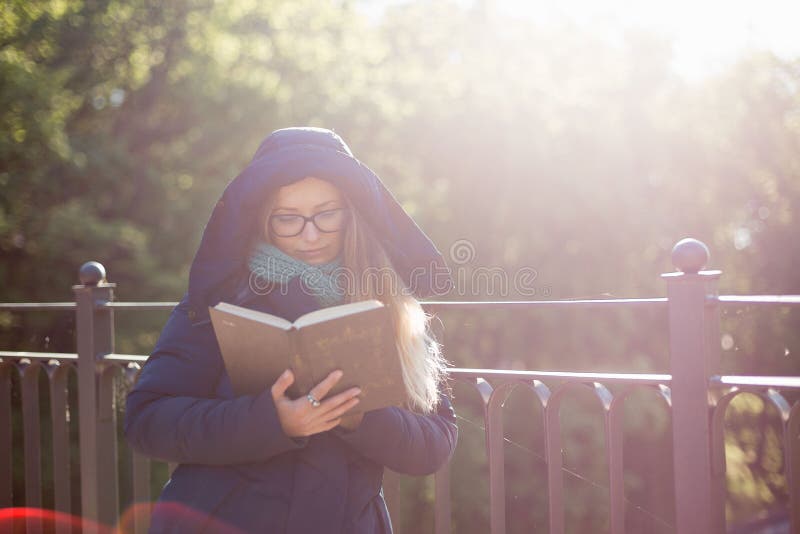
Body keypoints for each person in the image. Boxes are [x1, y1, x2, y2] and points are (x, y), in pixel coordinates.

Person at [124, 127, 458, 533]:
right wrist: (271, 421)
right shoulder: (222, 298)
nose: (310, 234)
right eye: (288, 219)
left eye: (327, 213)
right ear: (262, 221)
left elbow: (434, 443)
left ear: (354, 211)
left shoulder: (392, 301)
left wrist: (361, 419)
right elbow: (147, 421)